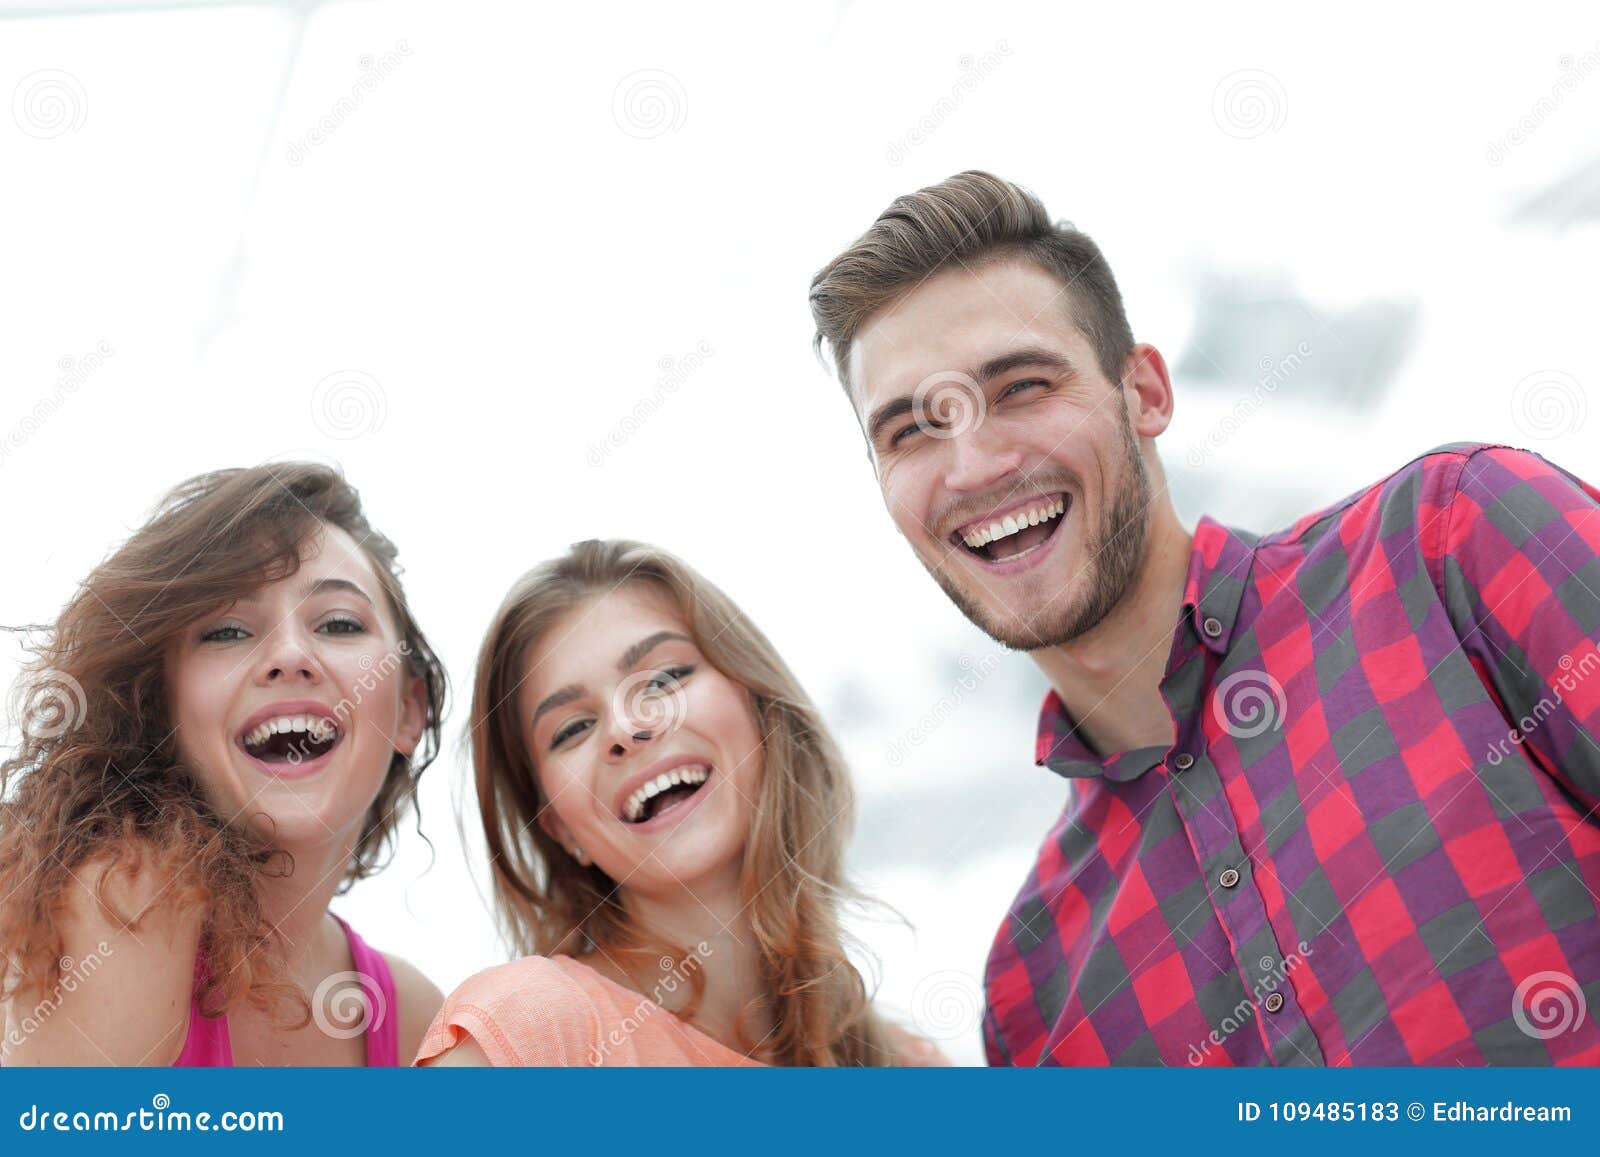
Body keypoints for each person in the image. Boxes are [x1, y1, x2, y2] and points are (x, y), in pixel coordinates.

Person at [807, 170, 1600, 1065]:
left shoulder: (1451, 543)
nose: (976, 464)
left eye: (1022, 385)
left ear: (1145, 392)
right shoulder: (1035, 995)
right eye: (911, 430)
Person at [418, 539, 946, 1066]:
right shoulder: (525, 1035)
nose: (627, 727)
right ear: (559, 828)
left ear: (759, 707)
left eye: (665, 677)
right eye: (573, 728)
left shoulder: (911, 1064)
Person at [1, 463, 447, 1065]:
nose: (290, 656)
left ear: (409, 709)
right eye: (227, 631)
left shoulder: (412, 1012)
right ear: (162, 707)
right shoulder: (125, 901)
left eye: (339, 623)